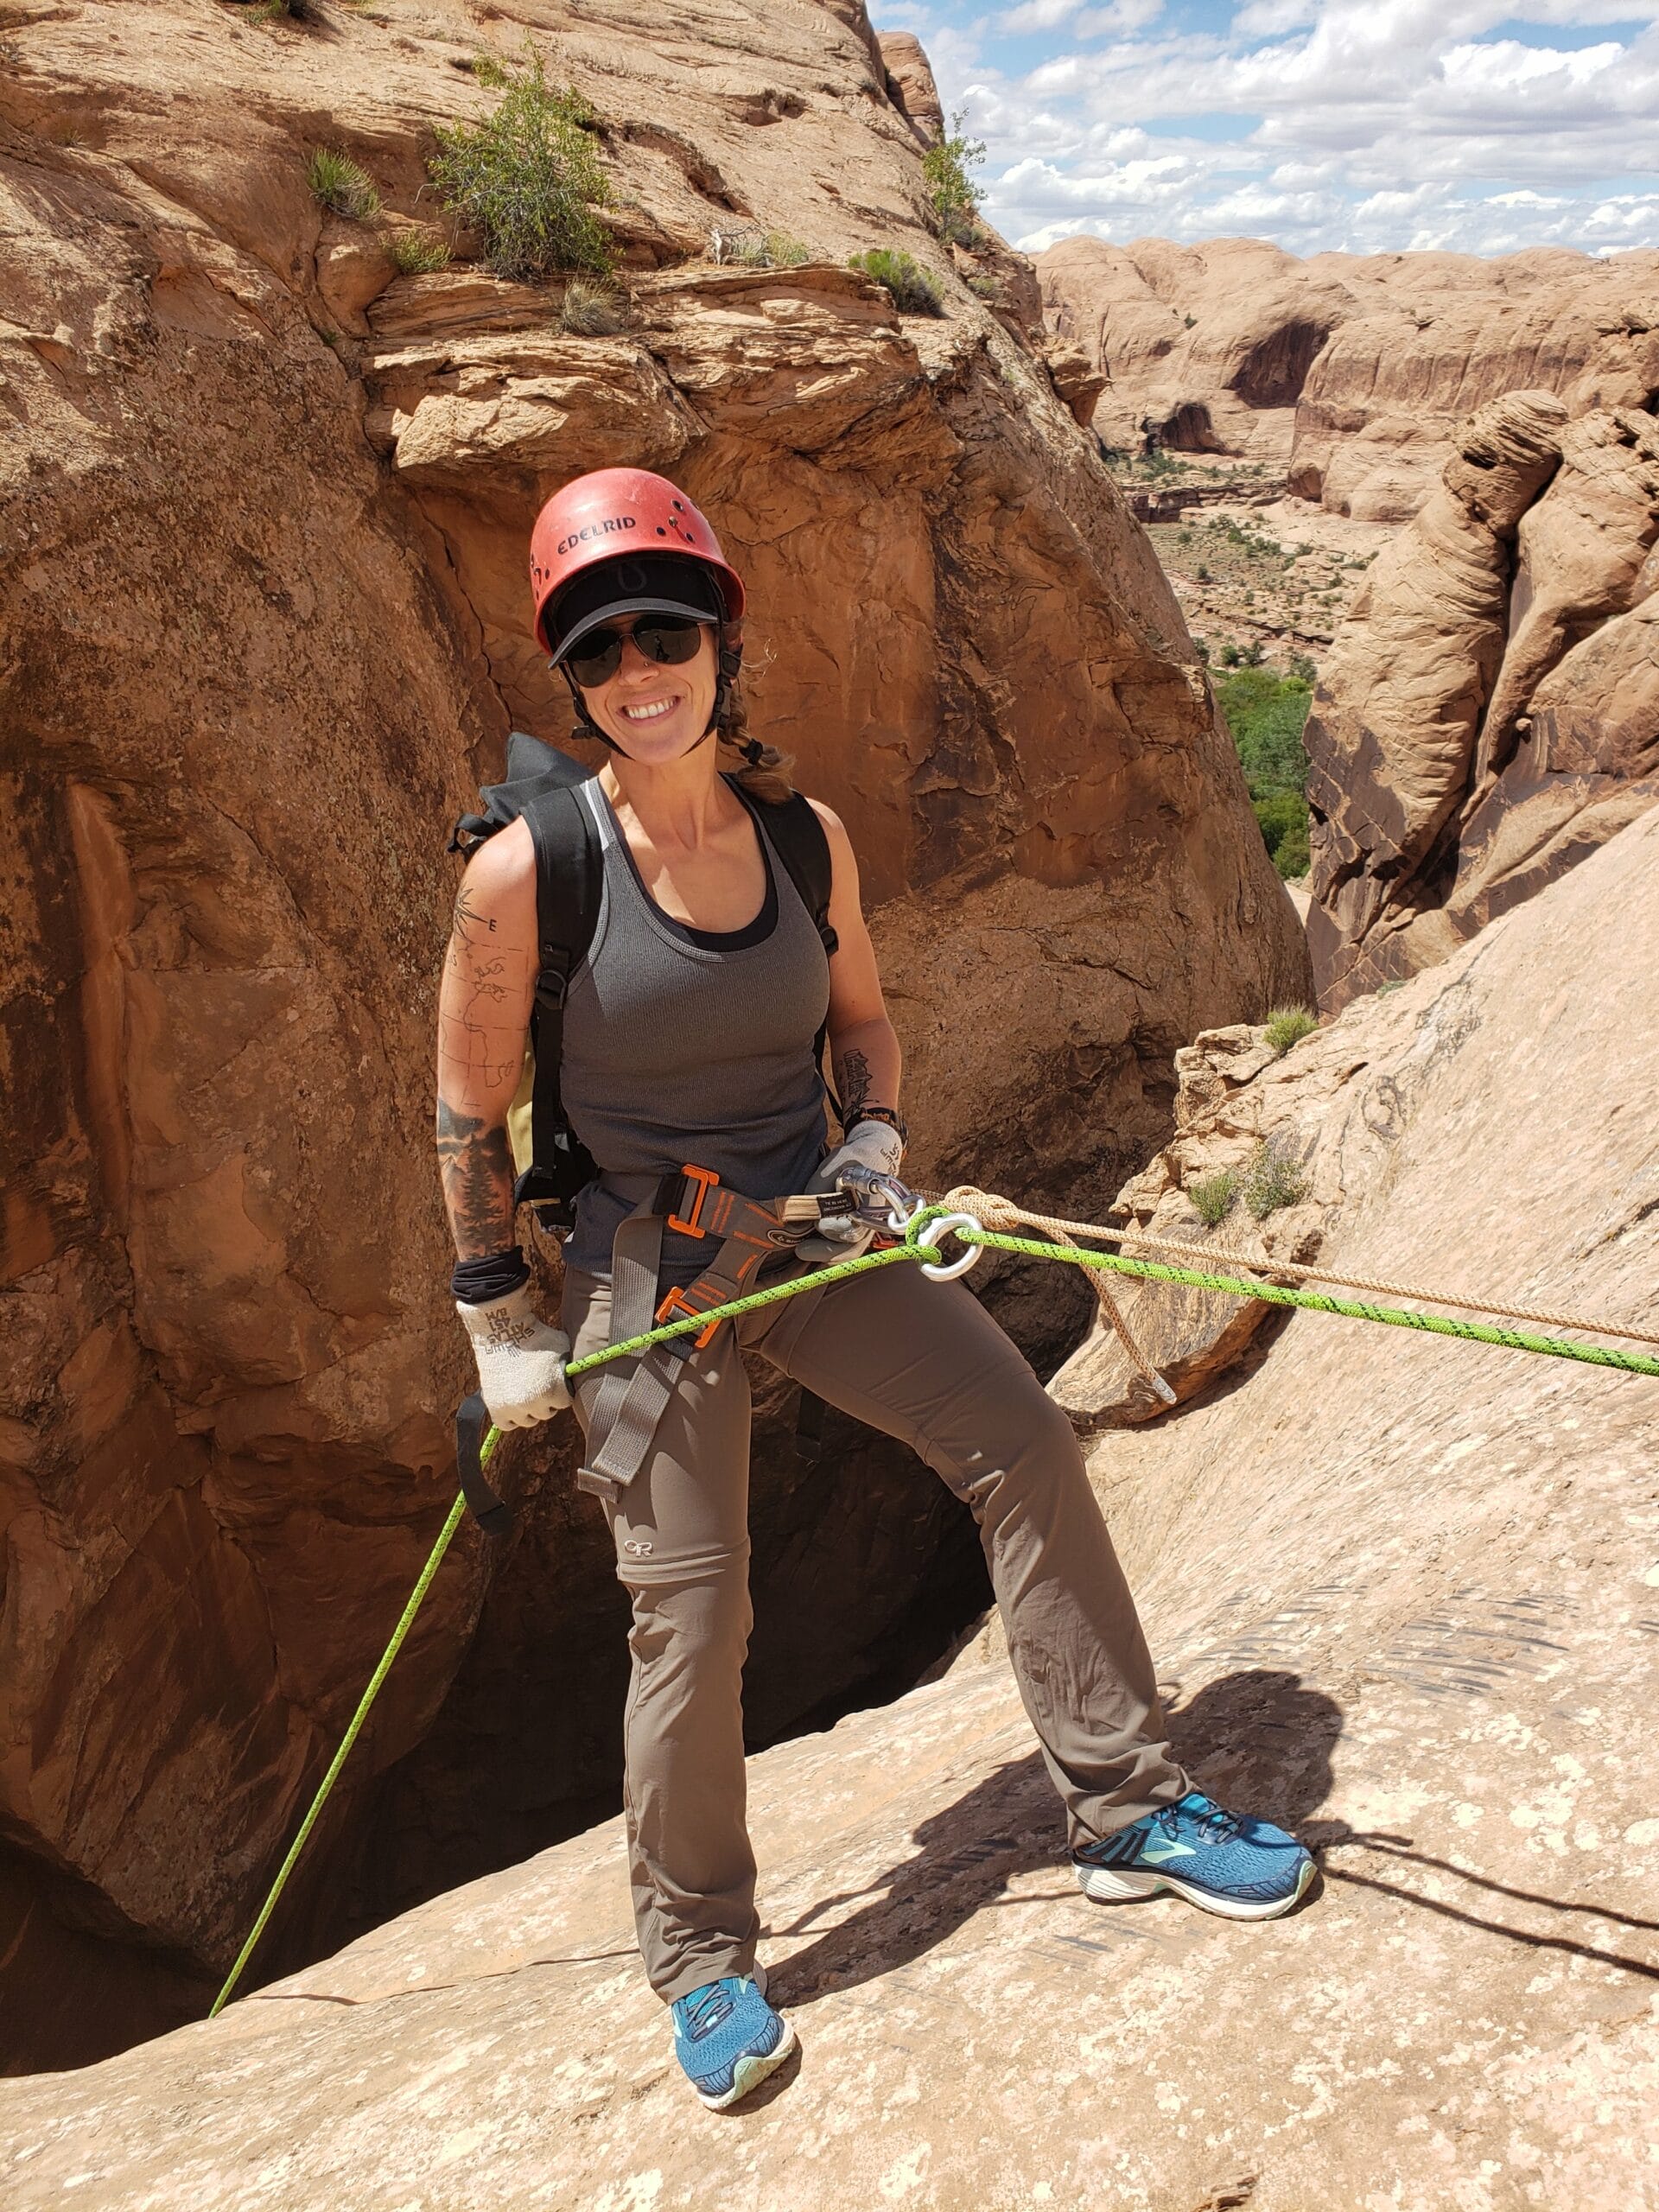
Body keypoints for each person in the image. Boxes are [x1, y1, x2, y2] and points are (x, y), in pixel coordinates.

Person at [435, 468, 1314, 2112]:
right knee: (693, 1612)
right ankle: (701, 1958)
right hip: (656, 1272)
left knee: (1026, 1449)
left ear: (718, 642)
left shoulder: (797, 836)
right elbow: (463, 1111)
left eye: (666, 627)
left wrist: (880, 1138)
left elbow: (863, 1023)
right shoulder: (528, 875)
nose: (641, 665)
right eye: (603, 641)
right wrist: (501, 1319)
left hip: (813, 1233)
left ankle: (1126, 1807)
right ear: (572, 671)